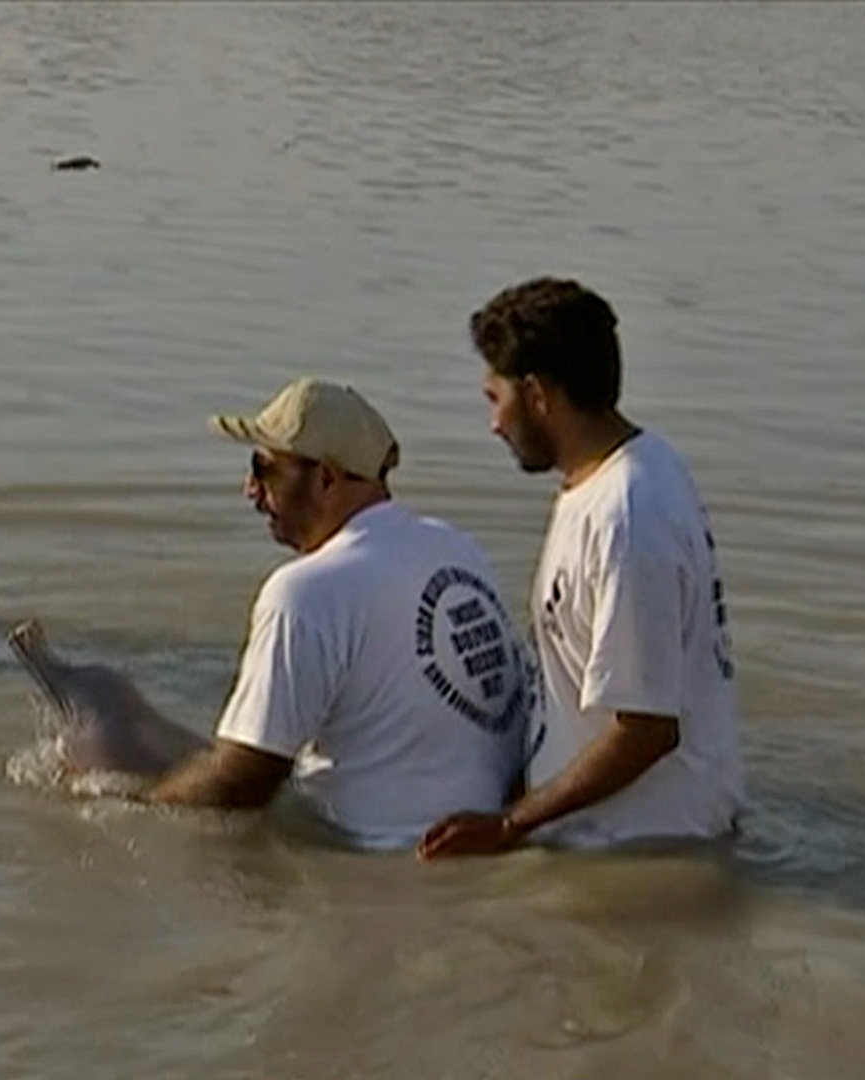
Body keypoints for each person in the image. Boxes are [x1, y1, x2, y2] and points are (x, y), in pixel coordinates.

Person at [419, 277, 744, 858]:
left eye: (496, 399)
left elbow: (646, 731)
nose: (494, 424)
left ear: (538, 394)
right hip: (604, 834)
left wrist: (509, 825)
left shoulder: (628, 514)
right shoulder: (611, 479)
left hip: (640, 848)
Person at [137, 377, 533, 851]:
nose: (248, 490)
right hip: (486, 837)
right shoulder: (457, 548)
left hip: (373, 858)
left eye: (262, 469)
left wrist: (123, 806)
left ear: (326, 477)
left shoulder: (304, 593)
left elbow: (242, 783)